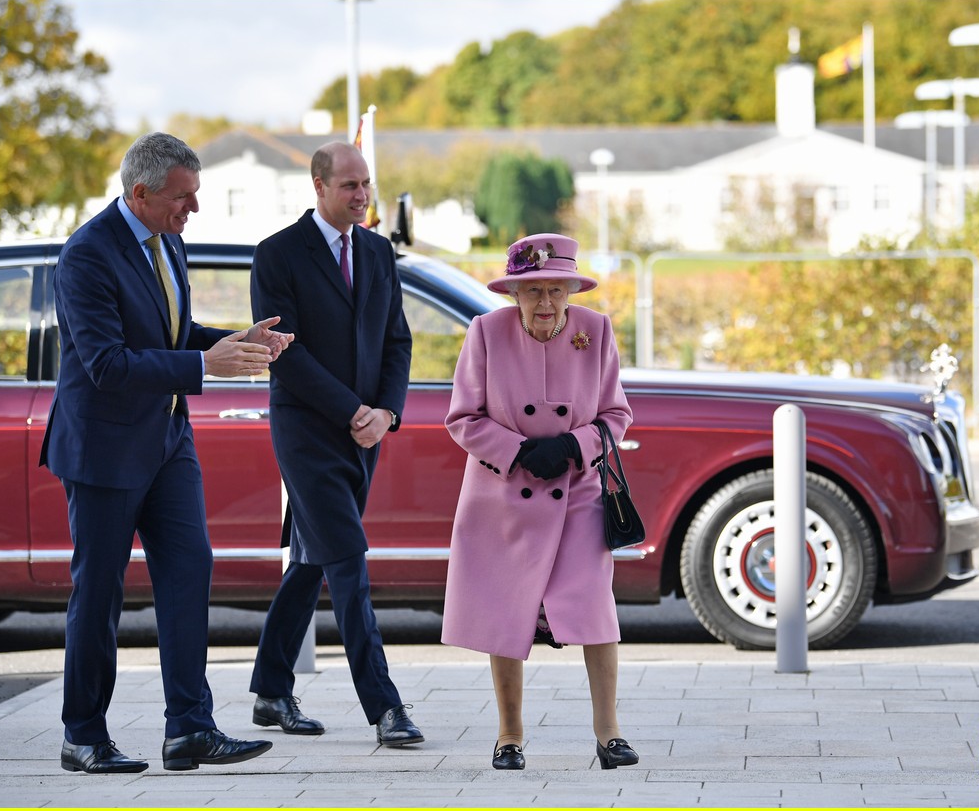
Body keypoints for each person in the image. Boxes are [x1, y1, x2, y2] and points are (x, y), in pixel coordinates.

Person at [40, 132, 294, 773]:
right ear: (141, 193)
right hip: (103, 449)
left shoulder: (166, 238)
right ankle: (83, 737)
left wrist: (238, 342)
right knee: (98, 596)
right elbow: (105, 364)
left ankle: (189, 729)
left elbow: (172, 335)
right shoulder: (86, 256)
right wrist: (205, 366)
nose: (194, 210)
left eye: (196, 196)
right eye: (184, 198)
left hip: (168, 440)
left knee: (188, 575)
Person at [441, 232, 640, 771]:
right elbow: (462, 418)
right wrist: (520, 449)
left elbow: (616, 414)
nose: (546, 303)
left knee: (594, 607)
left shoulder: (595, 331)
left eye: (557, 289)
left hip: (577, 492)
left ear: (572, 290)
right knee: (506, 611)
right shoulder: (486, 332)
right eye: (533, 291)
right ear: (514, 294)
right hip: (503, 495)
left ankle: (610, 734)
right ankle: (509, 736)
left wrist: (574, 444)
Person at [247, 141, 422, 748]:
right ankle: (385, 706)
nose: (362, 194)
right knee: (347, 560)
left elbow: (397, 341)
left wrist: (386, 413)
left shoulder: (376, 251)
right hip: (306, 432)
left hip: (366, 433)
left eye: (366, 183)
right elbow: (283, 354)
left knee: (312, 559)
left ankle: (271, 690)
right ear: (318, 186)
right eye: (349, 185)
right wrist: (354, 410)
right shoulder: (277, 255)